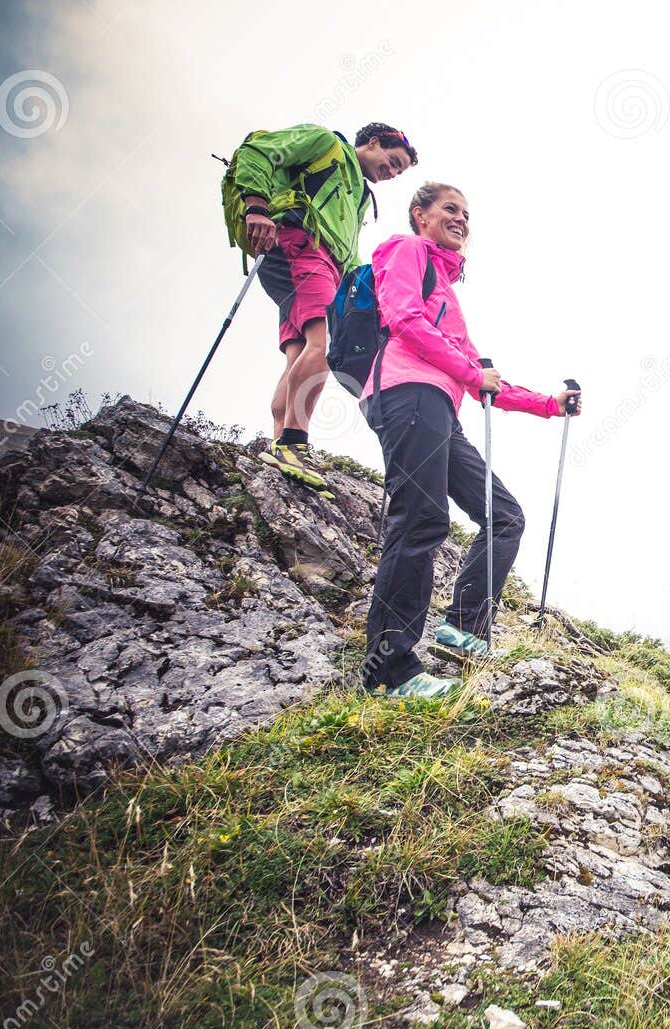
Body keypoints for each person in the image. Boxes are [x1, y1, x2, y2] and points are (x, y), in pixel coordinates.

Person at [359, 182, 580, 698]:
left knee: (504, 516)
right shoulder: (407, 250)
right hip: (406, 393)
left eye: (466, 213)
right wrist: (466, 370)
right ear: (420, 215)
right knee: (420, 519)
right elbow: (402, 317)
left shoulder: (447, 293)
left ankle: (462, 628)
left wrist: (549, 403)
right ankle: (387, 670)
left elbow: (483, 381)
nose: (461, 219)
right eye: (449, 209)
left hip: (436, 405)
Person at [230, 121, 418, 492]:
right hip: (303, 248)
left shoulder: (358, 193)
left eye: (398, 171)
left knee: (299, 351)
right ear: (374, 142)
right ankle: (293, 444)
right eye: (393, 161)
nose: (392, 173)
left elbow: (347, 251)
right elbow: (258, 152)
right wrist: (256, 206)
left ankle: (279, 442)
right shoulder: (326, 144)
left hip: (321, 265)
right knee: (323, 345)